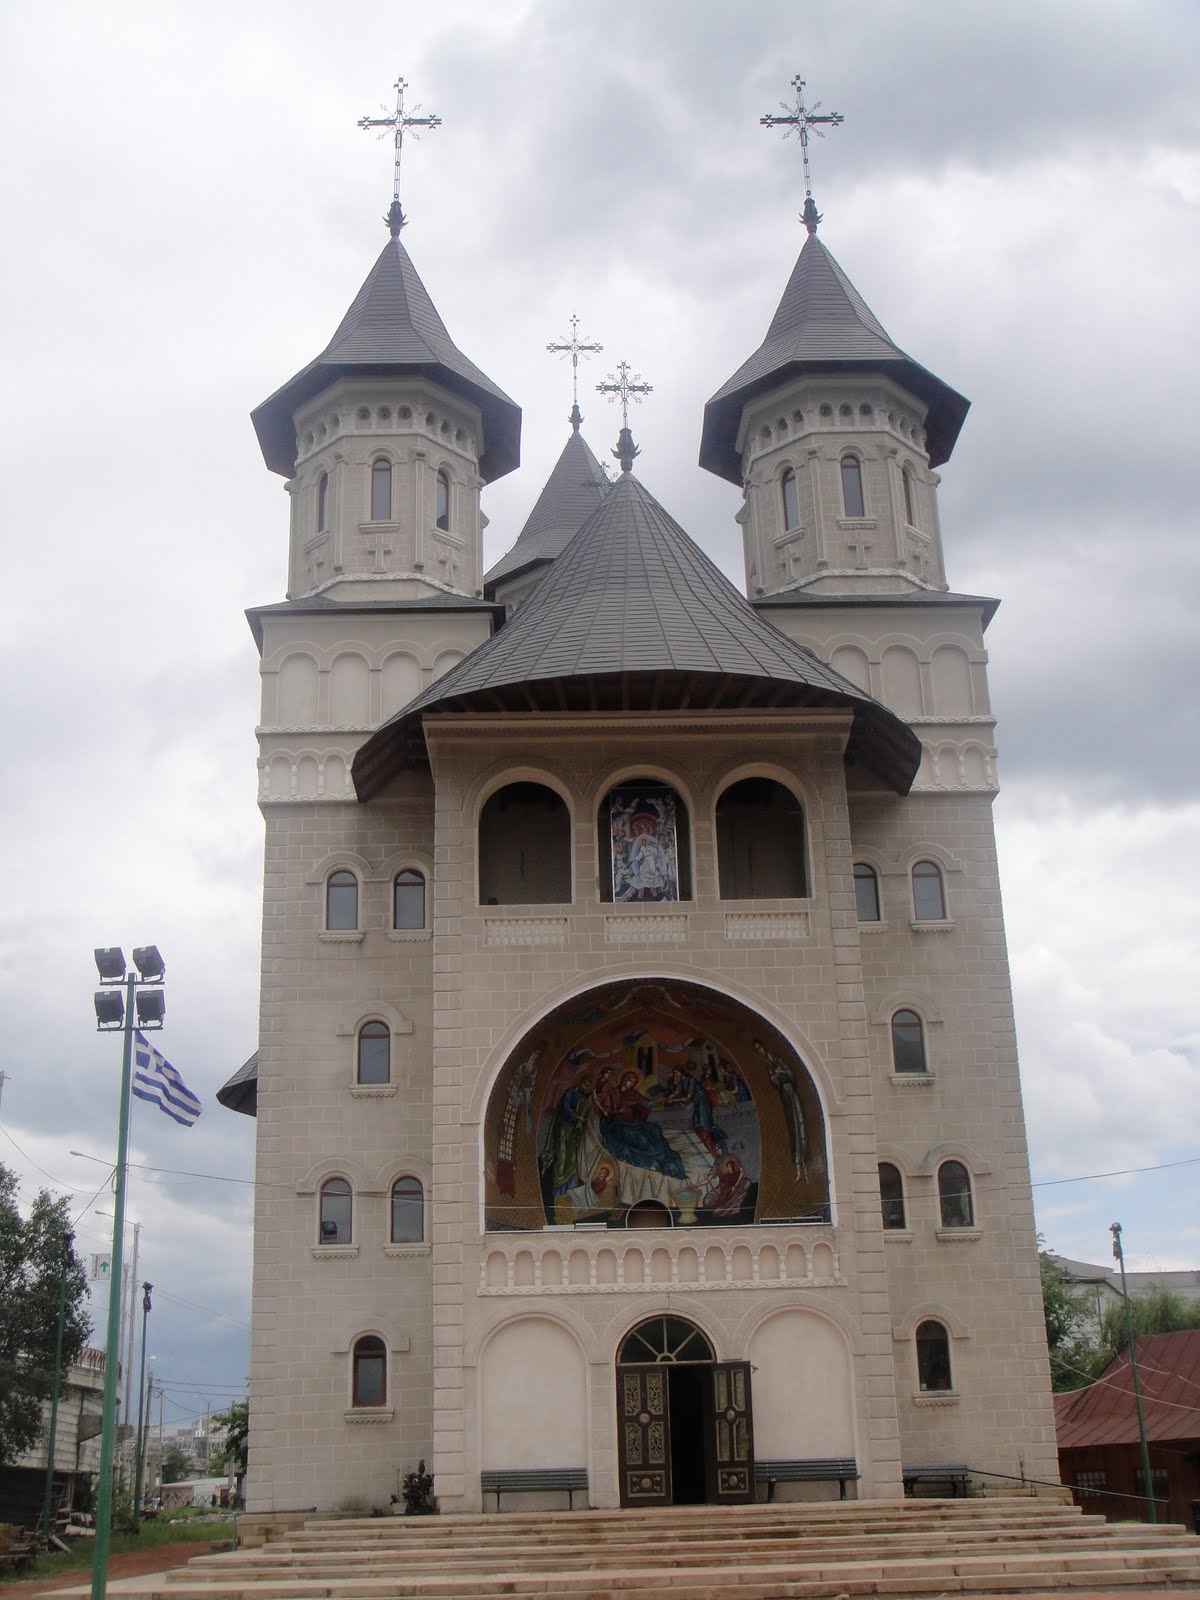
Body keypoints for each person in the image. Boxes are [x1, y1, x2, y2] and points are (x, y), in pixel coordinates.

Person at [753, 1038, 808, 1174]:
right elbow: (774, 1082)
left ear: (764, 1047)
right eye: (757, 1050)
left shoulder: (777, 1060)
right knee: (792, 1125)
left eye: (760, 1047)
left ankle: (805, 1164)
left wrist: (781, 1072)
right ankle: (797, 1166)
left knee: (799, 1122)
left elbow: (791, 1074)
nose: (760, 1051)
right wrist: (775, 1075)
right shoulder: (768, 1066)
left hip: (791, 1091)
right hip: (784, 1094)